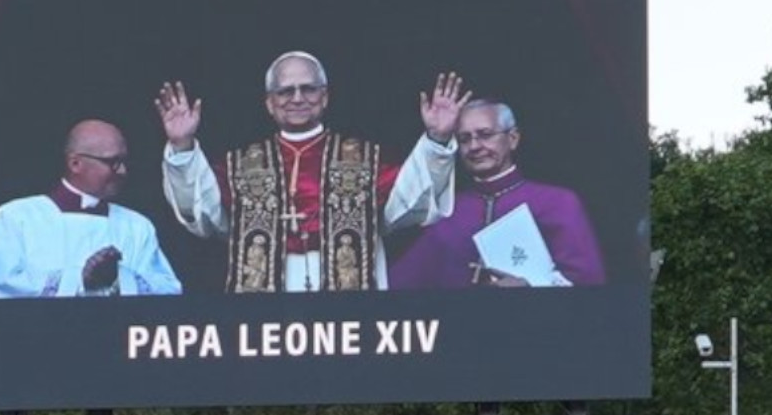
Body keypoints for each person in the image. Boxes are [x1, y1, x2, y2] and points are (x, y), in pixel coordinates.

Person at [155, 55, 462, 292]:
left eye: (308, 89)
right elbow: (203, 216)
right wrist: (182, 146)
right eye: (286, 91)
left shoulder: (369, 160)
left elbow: (410, 203)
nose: (298, 98)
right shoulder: (239, 165)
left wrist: (436, 141)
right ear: (270, 103)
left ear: (325, 97)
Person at [391, 99, 605, 288]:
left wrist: (532, 288)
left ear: (512, 138)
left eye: (485, 135)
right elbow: (400, 284)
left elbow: (588, 284)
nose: (474, 146)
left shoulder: (558, 203)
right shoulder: (448, 212)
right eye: (464, 139)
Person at [0, 119, 182, 298]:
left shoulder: (137, 226)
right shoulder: (16, 217)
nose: (123, 171)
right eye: (113, 162)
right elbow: (1, 288)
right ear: (75, 163)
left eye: (123, 162)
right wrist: (80, 279)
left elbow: (168, 291)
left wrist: (119, 278)